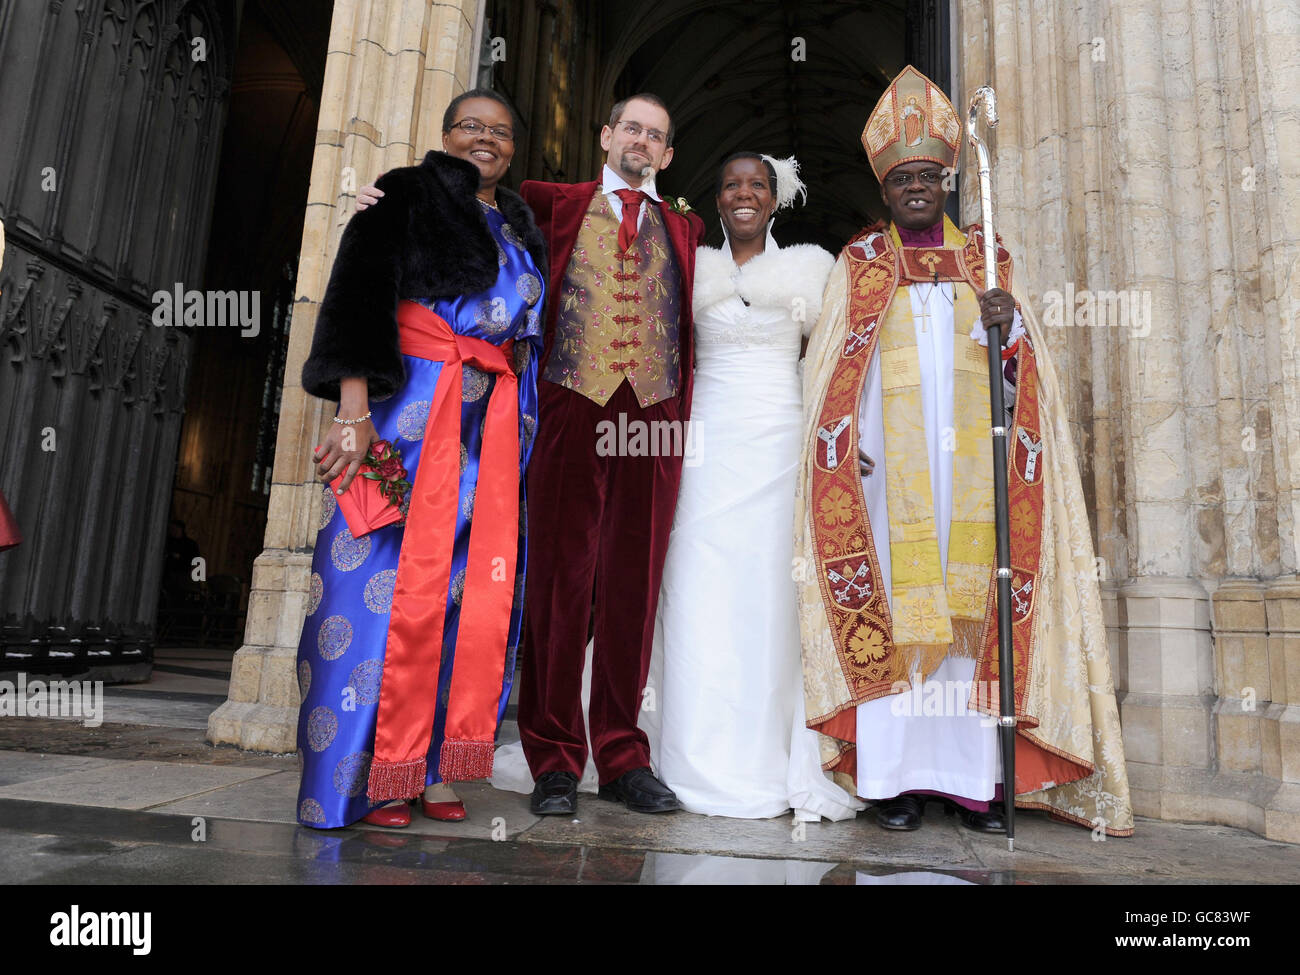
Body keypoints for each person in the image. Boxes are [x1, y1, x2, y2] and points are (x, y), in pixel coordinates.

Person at [795, 66, 1134, 836]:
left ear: (949, 181)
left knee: (971, 620)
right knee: (900, 627)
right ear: (885, 189)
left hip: (973, 480)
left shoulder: (990, 262)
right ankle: (898, 783)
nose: (916, 188)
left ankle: (978, 783)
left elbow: (1031, 376)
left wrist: (1007, 325)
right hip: (886, 482)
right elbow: (828, 382)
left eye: (929, 176)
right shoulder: (860, 267)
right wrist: (847, 457)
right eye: (903, 178)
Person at [294, 88, 545, 830]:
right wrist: (351, 413)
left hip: (487, 437)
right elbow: (357, 297)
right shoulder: (402, 192)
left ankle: (432, 766)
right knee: (374, 587)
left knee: (464, 602)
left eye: (500, 131)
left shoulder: (521, 226)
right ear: (446, 133)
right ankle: (362, 777)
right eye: (472, 126)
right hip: (405, 422)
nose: (486, 139)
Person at [645, 152, 862, 820]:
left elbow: (833, 361)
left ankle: (771, 753)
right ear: (717, 199)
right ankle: (681, 748)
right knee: (695, 586)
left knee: (769, 593)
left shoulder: (812, 268)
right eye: (732, 184)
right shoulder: (690, 267)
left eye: (757, 185)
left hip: (779, 445)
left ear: (775, 199)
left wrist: (846, 446)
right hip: (703, 448)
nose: (744, 193)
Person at [515, 93, 704, 816]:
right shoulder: (552, 203)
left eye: (657, 135)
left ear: (667, 154)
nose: (643, 142)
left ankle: (623, 755)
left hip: (653, 416)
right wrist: (390, 199)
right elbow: (473, 219)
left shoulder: (685, 228)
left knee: (633, 588)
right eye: (633, 128)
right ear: (606, 135)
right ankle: (555, 759)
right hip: (573, 404)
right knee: (560, 586)